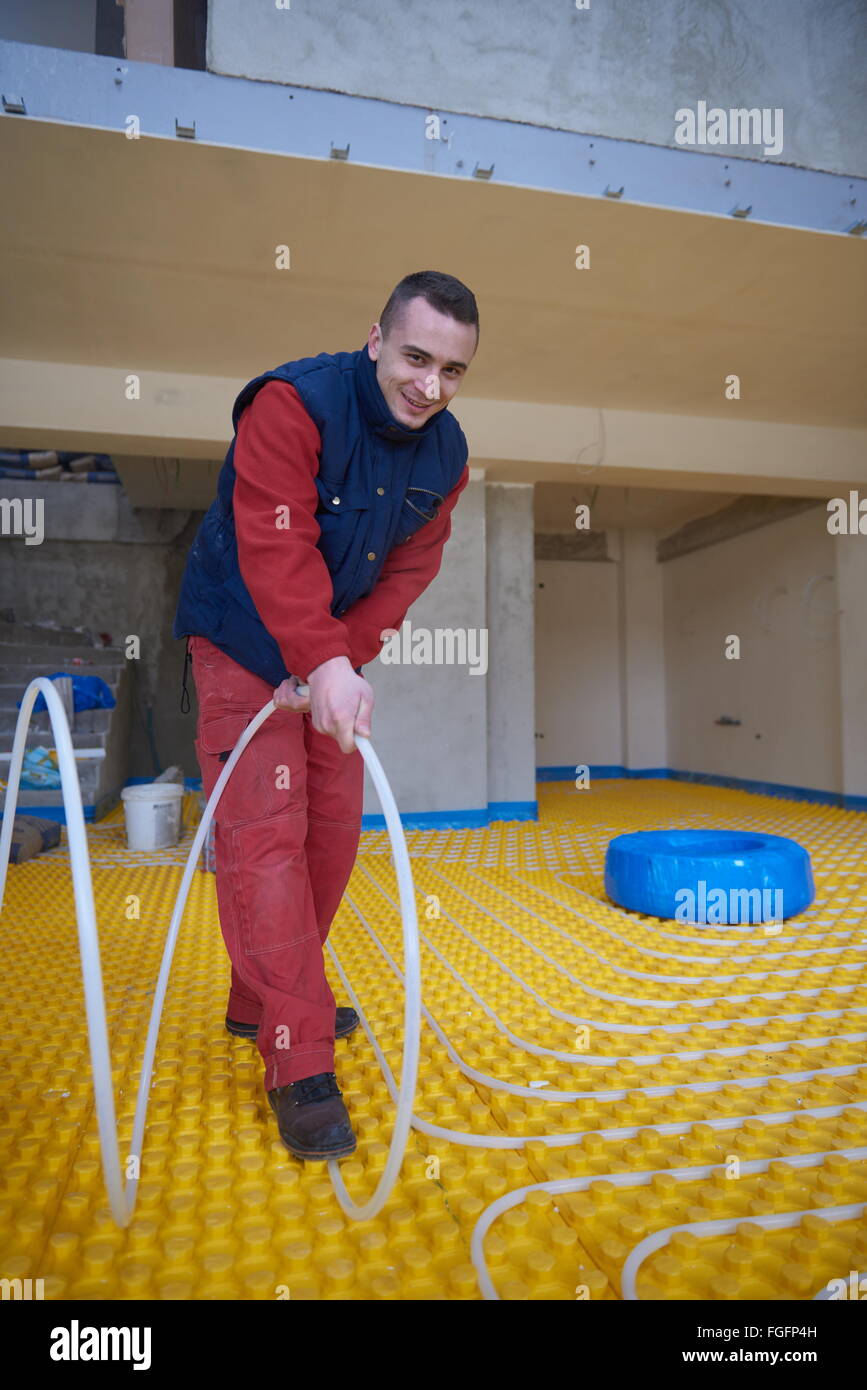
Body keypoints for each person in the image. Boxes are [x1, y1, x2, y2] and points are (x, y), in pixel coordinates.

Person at [173, 270, 479, 1160]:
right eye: (416, 356)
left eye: (452, 370)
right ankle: (294, 1056)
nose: (430, 385)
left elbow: (407, 574)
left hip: (325, 658)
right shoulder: (290, 405)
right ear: (375, 339)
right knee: (263, 846)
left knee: (329, 838)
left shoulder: (446, 454)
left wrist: (339, 661)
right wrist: (315, 659)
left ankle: (255, 999)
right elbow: (277, 542)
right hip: (239, 645)